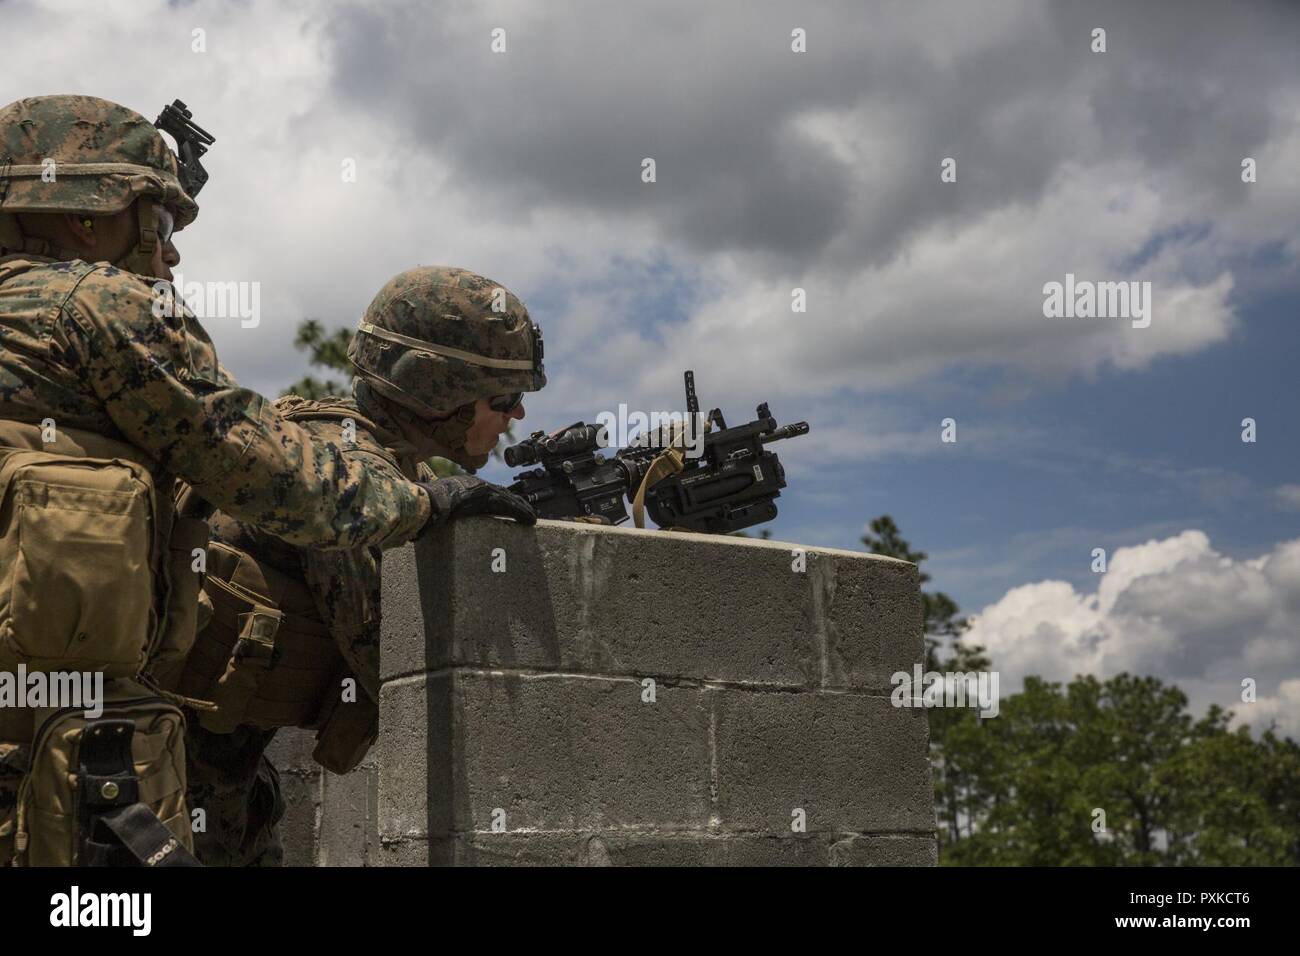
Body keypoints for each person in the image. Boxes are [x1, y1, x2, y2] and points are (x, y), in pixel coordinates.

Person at [0, 95, 533, 865]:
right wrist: (424, 504)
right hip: (64, 747)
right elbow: (275, 474)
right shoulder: (105, 308)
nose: (171, 255)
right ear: (87, 218)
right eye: (158, 221)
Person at [177, 265, 545, 865]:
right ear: (436, 391)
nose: (517, 417)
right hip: (163, 778)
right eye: (503, 399)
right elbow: (393, 666)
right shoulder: (342, 477)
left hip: (220, 777)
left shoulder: (387, 472)